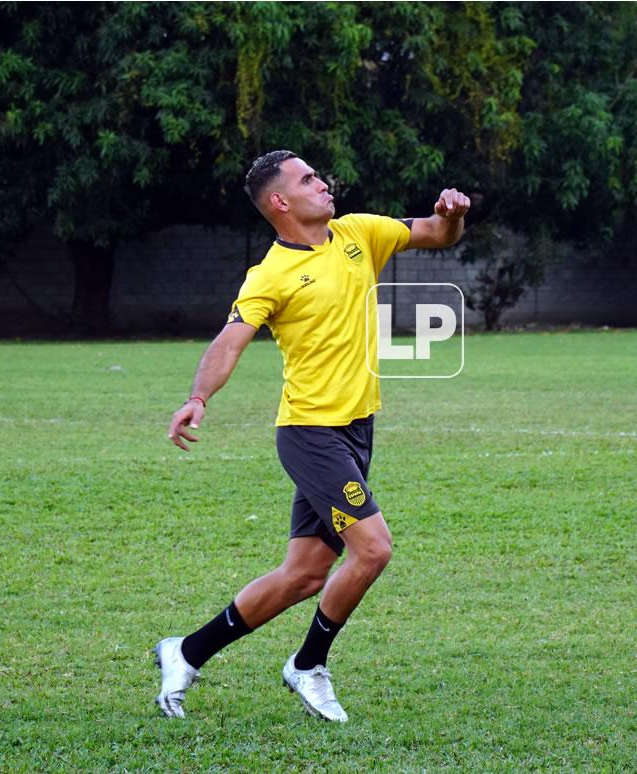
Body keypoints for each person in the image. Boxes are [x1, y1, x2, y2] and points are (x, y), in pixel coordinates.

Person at [153, 150, 470, 722]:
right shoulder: (269, 275)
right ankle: (307, 664)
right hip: (310, 434)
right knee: (373, 549)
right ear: (279, 202)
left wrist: (451, 214)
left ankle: (186, 651)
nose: (323, 184)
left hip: (356, 430)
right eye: (307, 179)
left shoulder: (360, 233)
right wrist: (198, 397)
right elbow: (230, 340)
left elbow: (436, 234)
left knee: (302, 576)